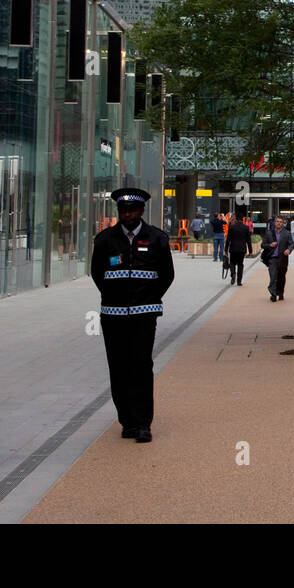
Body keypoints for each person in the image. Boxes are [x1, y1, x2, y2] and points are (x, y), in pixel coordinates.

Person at [90, 188, 174, 443]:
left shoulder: (157, 239)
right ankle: (126, 420)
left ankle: (143, 423)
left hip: (144, 315)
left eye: (132, 210)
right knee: (118, 367)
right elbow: (97, 275)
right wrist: (114, 297)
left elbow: (166, 275)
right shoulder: (105, 240)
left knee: (141, 366)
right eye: (123, 211)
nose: (127, 215)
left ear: (141, 211)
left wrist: (149, 298)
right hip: (113, 315)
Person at [267, 216, 293, 301]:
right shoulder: (269, 233)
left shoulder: (287, 233)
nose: (279, 223)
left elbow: (291, 244)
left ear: (283, 223)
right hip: (272, 259)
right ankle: (273, 294)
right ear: (274, 222)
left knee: (281, 277)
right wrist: (269, 245)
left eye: (281, 222)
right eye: (277, 221)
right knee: (273, 276)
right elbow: (263, 244)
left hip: (283, 259)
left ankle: (280, 292)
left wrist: (288, 250)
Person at [225, 212, 253, 286]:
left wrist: (225, 250)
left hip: (233, 248)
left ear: (236, 219)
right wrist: (250, 251)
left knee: (232, 262)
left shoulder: (231, 227)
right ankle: (239, 281)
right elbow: (248, 241)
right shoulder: (246, 228)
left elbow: (228, 240)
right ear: (243, 219)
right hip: (242, 249)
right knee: (240, 264)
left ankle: (233, 274)